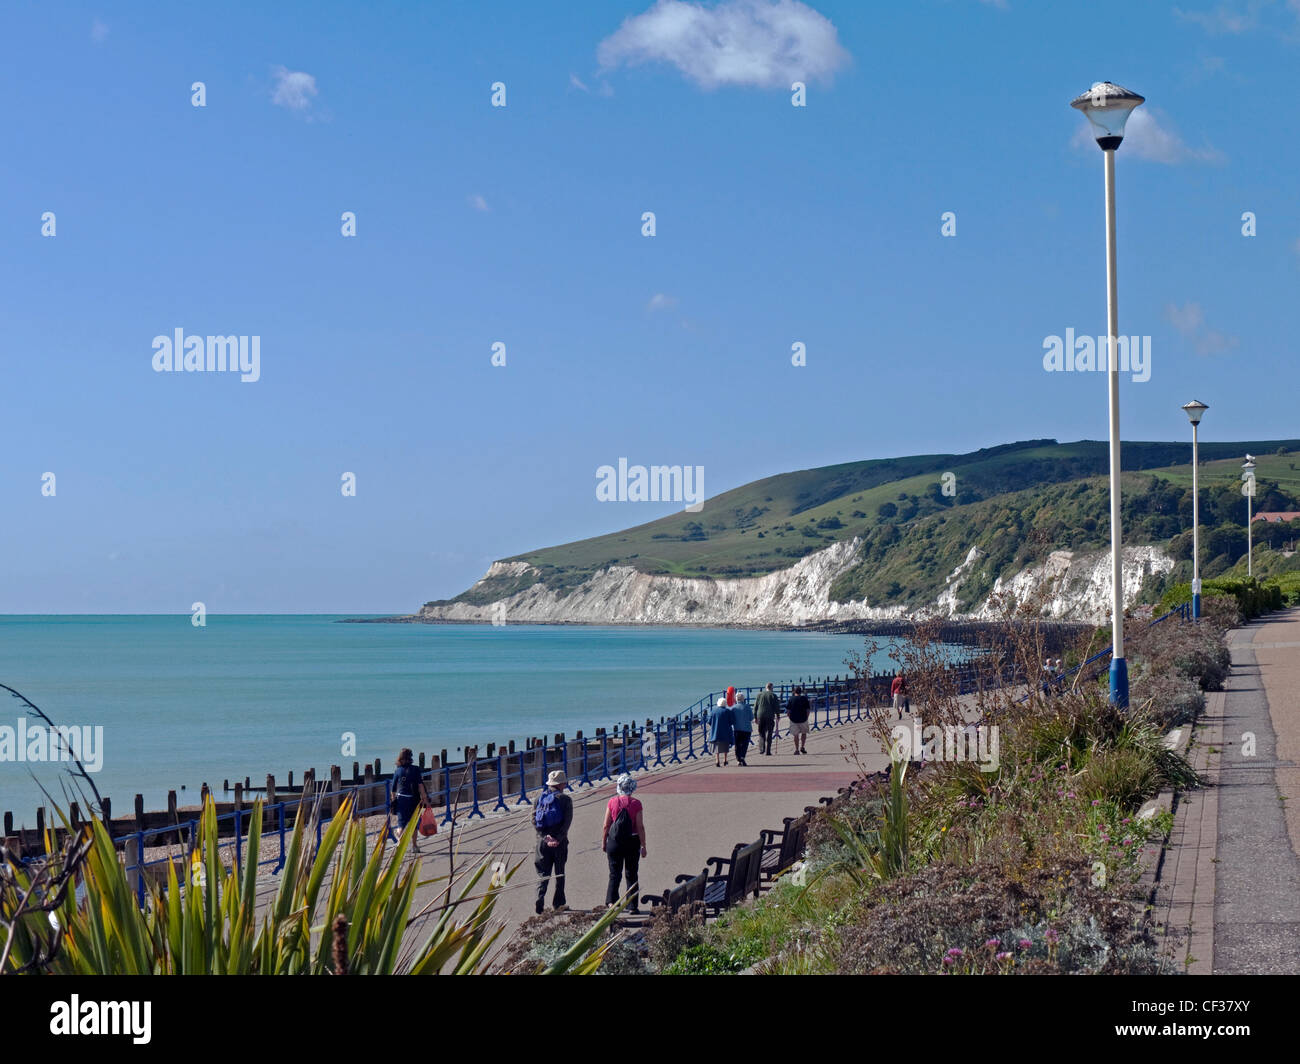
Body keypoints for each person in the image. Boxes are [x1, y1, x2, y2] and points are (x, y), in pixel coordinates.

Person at [602, 773, 647, 913]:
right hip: (631, 841)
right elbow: (640, 826)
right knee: (632, 873)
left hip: (614, 842)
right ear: (632, 788)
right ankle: (632, 906)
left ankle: (611, 903)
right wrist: (643, 845)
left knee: (614, 873)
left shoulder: (612, 802)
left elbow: (606, 825)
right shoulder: (636, 803)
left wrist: (604, 842)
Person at [533, 769, 573, 914]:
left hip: (543, 842)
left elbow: (534, 821)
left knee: (543, 873)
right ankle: (559, 903)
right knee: (559, 872)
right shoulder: (565, 799)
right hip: (559, 843)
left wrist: (545, 837)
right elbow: (567, 823)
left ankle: (540, 897)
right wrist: (558, 839)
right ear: (562, 783)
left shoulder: (539, 799)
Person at [390, 748, 432, 852]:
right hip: (413, 800)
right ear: (411, 757)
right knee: (414, 824)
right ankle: (414, 846)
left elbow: (393, 789)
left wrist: (393, 800)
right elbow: (420, 786)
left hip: (401, 800)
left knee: (401, 824)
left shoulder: (397, 770)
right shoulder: (415, 769)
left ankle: (400, 843)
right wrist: (425, 799)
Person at [754, 682, 781, 755]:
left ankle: (762, 749)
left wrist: (755, 717)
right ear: (771, 688)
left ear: (766, 687)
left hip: (760, 715)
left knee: (761, 732)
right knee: (769, 733)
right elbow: (777, 707)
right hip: (769, 716)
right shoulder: (773, 695)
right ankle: (768, 751)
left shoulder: (759, 695)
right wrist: (778, 715)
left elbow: (755, 706)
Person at [708, 695, 734, 766]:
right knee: (726, 745)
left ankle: (717, 760)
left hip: (716, 731)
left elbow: (709, 721)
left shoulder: (713, 711)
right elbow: (731, 721)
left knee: (717, 746)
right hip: (726, 731)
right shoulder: (727, 711)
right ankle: (725, 760)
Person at [785, 685, 811, 755]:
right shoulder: (804, 698)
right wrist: (807, 717)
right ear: (801, 691)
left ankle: (796, 749)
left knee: (796, 735)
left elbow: (788, 710)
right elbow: (808, 710)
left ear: (794, 691)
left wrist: (789, 717)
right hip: (803, 718)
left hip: (794, 719)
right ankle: (802, 747)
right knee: (804, 733)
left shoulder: (791, 699)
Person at [731, 691, 754, 766]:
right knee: (745, 744)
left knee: (737, 745)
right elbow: (751, 718)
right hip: (747, 729)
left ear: (736, 699)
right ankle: (742, 757)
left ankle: (738, 759)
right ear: (743, 699)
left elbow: (731, 720)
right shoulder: (747, 706)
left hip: (737, 729)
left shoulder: (733, 708)